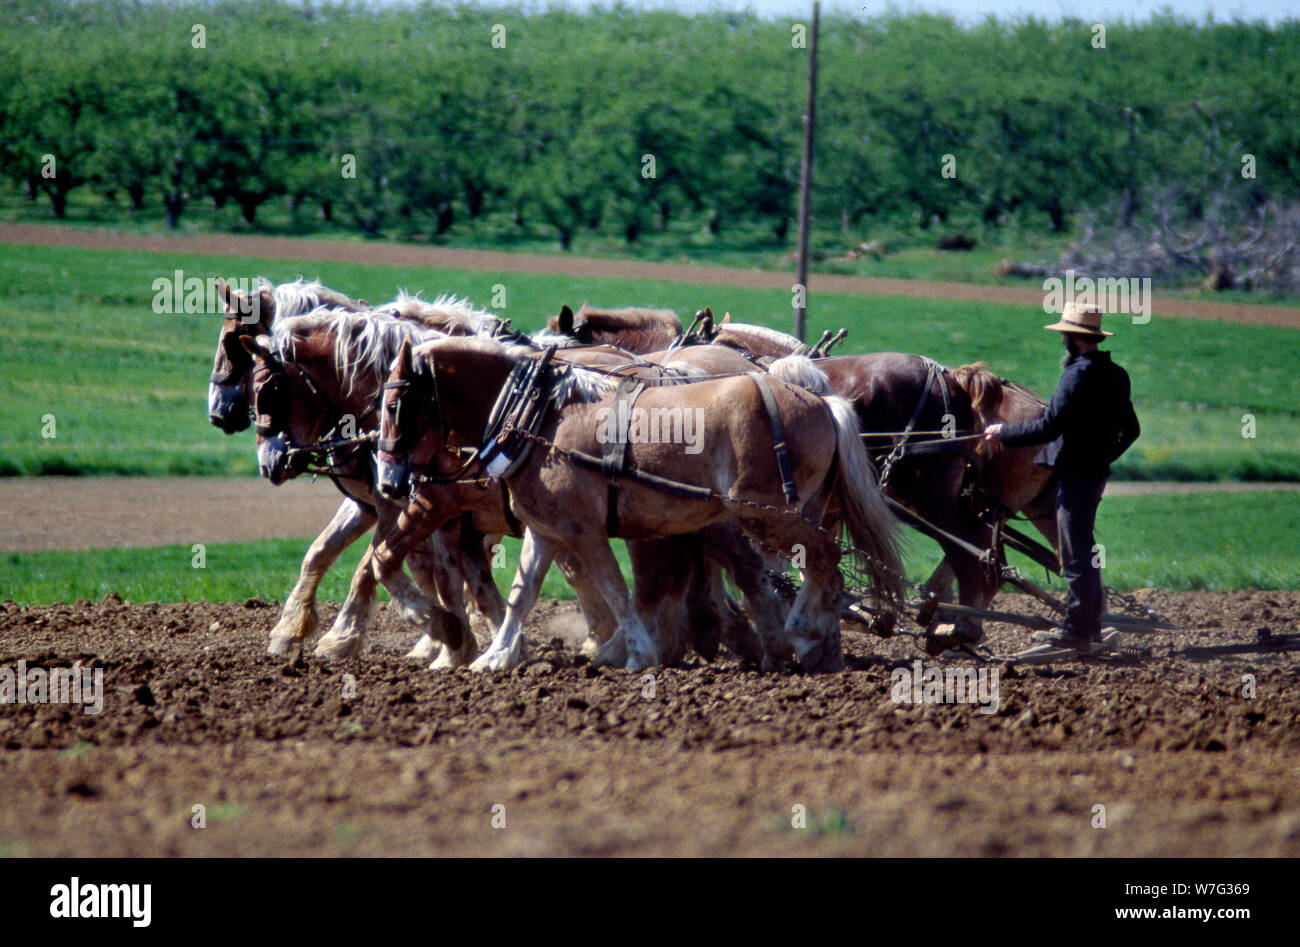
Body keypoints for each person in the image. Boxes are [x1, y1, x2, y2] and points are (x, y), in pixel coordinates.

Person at [983, 302, 1141, 652]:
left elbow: (1049, 426)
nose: (1062, 342)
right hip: (1095, 473)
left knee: (1075, 553)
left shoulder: (1076, 375)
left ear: (1072, 338)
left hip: (1075, 475)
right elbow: (1132, 430)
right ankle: (1088, 625)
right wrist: (1103, 458)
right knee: (1080, 548)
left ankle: (1077, 629)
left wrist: (1002, 432)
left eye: (1064, 336)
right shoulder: (1117, 375)